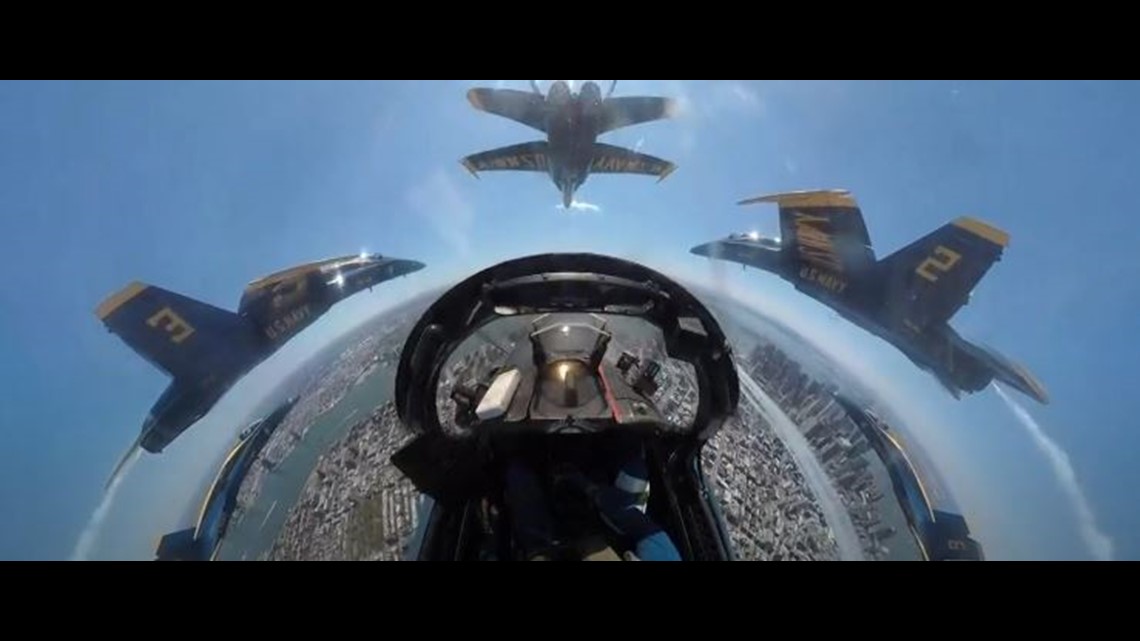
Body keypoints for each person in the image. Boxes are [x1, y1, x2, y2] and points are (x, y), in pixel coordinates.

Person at [502, 442, 682, 562]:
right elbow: (637, 524)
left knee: (518, 474)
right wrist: (589, 488)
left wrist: (590, 489)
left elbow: (634, 521)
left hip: (561, 541)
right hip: (591, 532)